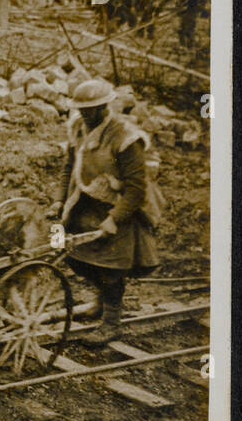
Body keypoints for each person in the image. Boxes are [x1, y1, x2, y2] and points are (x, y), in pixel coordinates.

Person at [50, 78, 163, 346]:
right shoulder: (78, 127)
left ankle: (111, 323)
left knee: (111, 269)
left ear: (104, 107)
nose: (85, 114)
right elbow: (69, 167)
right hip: (86, 203)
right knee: (74, 257)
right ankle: (99, 302)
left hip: (121, 207)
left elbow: (137, 189)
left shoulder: (125, 137)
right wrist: (58, 200)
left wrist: (114, 219)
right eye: (81, 109)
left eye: (90, 109)